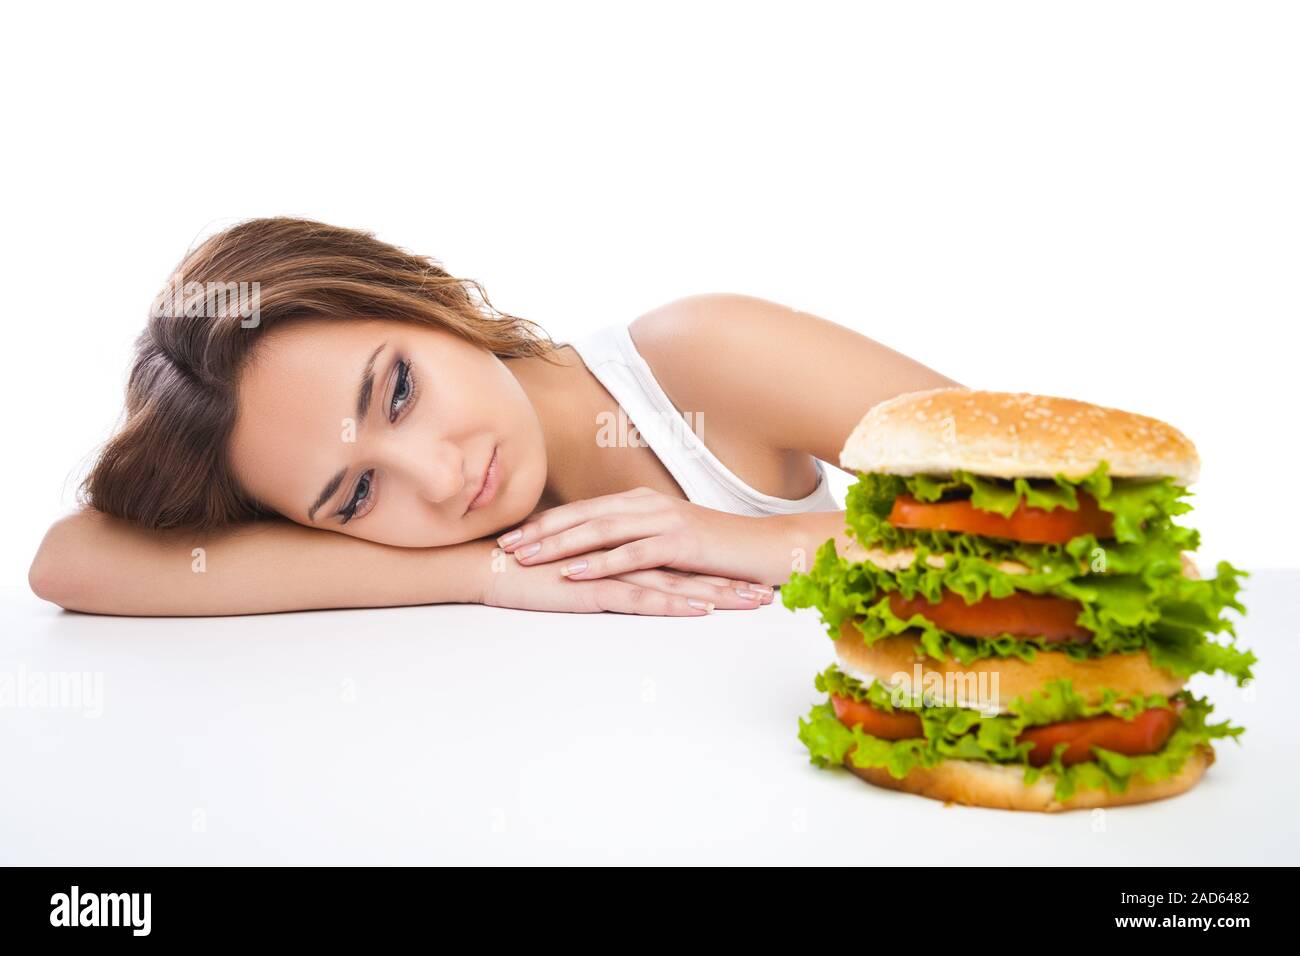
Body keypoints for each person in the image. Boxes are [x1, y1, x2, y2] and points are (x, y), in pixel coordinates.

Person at [27, 217, 958, 617]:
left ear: (419, 297)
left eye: (396, 390)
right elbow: (67, 560)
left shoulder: (700, 357)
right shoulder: (443, 545)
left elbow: (1078, 499)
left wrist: (749, 543)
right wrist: (480, 577)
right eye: (354, 495)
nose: (437, 479)